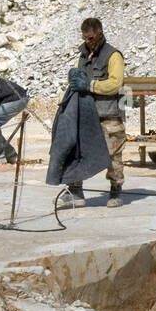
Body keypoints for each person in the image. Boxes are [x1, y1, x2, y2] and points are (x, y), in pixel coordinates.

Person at [63, 18, 127, 208]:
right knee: (77, 151)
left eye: (91, 38)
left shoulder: (113, 55)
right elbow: (77, 75)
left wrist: (90, 85)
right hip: (86, 114)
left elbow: (116, 84)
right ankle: (76, 191)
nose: (88, 42)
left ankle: (116, 190)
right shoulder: (83, 55)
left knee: (112, 154)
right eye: (85, 38)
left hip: (108, 115)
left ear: (100, 34)